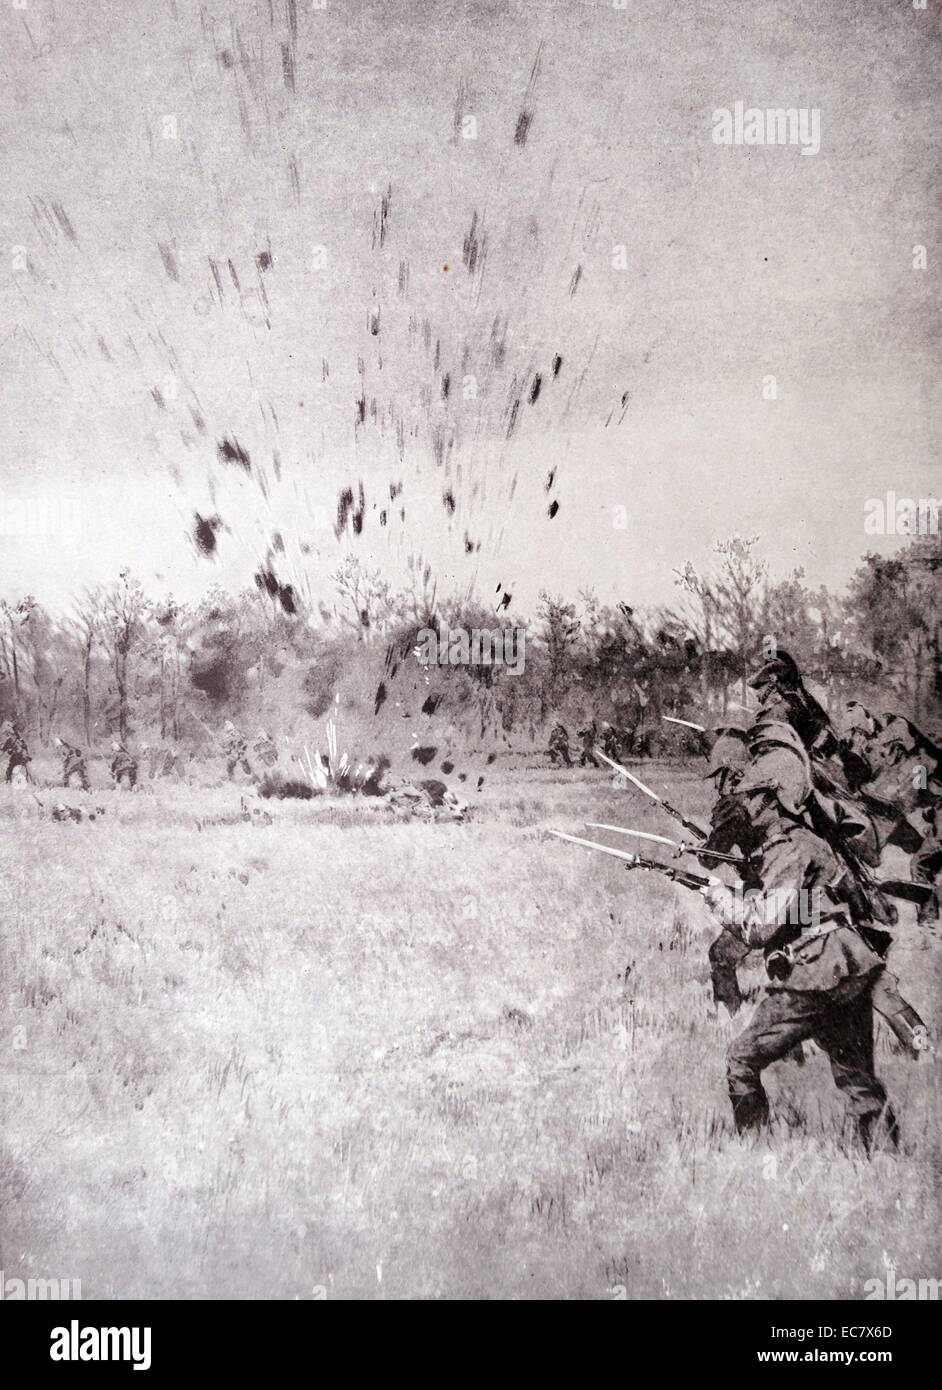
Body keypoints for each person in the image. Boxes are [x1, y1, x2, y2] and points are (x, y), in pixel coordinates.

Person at [701, 748, 899, 1151]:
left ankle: (752, 1154)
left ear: (772, 799)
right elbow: (808, 908)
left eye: (753, 796)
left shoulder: (786, 849)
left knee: (741, 1061)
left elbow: (761, 928)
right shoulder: (809, 842)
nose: (746, 803)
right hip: (849, 969)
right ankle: (885, 1159)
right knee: (858, 1080)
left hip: (810, 974)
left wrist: (721, 899)